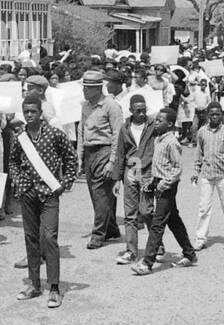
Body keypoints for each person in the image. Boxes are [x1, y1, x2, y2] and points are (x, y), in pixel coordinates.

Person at [10, 92, 77, 307]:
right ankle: (34, 284)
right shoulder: (20, 137)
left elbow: (71, 159)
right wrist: (19, 182)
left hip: (49, 194)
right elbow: (13, 162)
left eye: (33, 111)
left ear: (41, 113)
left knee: (49, 238)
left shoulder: (55, 134)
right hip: (28, 193)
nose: (29, 115)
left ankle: (54, 287)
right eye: (26, 111)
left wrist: (64, 184)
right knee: (31, 238)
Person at [131, 107, 194, 274]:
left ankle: (147, 262)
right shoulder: (158, 140)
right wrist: (152, 181)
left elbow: (177, 168)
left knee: (158, 224)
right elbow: (159, 165)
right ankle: (189, 253)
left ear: (170, 124)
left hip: (168, 185)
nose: (156, 123)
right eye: (156, 120)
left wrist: (164, 184)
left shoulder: (172, 142)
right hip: (158, 181)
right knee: (173, 220)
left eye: (160, 121)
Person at [78, 69, 123, 250]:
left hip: (104, 150)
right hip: (90, 151)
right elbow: (81, 130)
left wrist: (112, 161)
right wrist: (79, 155)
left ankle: (98, 234)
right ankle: (111, 228)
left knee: (101, 194)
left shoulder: (111, 106)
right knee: (97, 193)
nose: (84, 91)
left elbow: (118, 135)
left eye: (87, 88)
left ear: (97, 88)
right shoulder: (85, 106)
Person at [110, 93, 156, 266]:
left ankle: (155, 245)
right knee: (130, 214)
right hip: (131, 170)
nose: (142, 114)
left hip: (147, 171)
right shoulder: (125, 128)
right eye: (138, 111)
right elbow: (120, 153)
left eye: (144, 110)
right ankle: (131, 251)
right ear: (131, 110)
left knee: (146, 211)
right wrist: (116, 179)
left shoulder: (153, 125)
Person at [190, 101, 224, 251]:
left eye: (217, 114)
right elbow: (198, 153)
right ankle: (200, 238)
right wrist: (195, 172)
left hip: (223, 175)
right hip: (206, 175)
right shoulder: (202, 132)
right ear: (207, 115)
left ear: (222, 116)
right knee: (204, 208)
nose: (214, 117)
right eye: (211, 114)